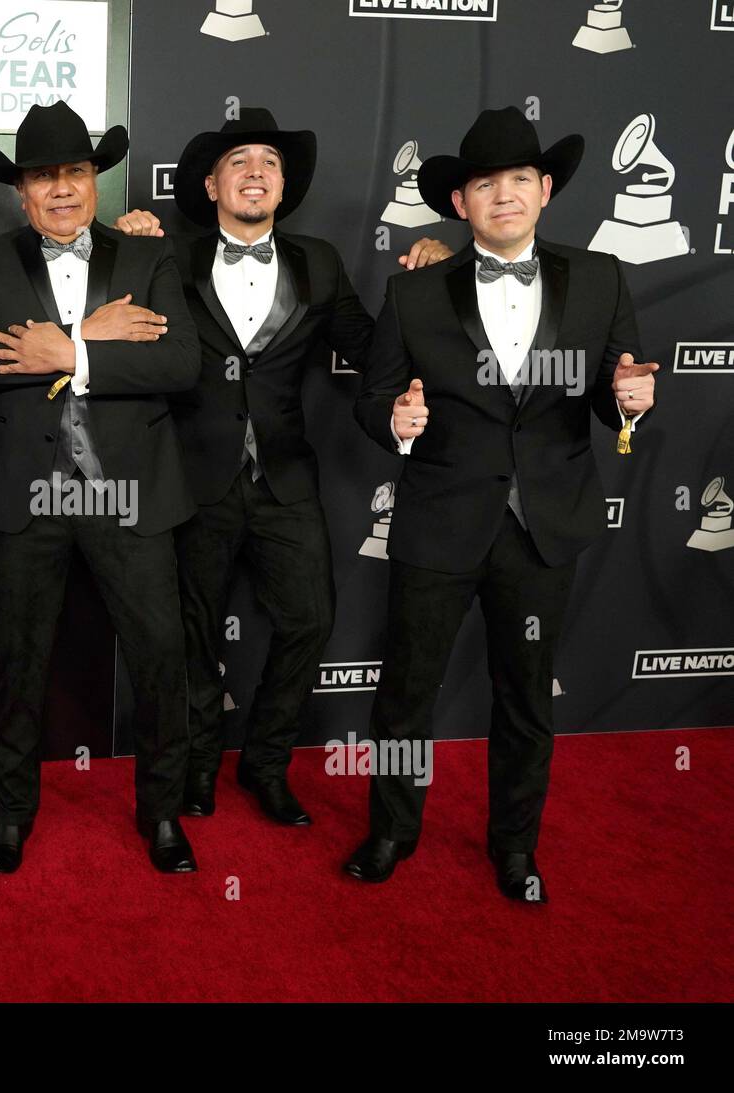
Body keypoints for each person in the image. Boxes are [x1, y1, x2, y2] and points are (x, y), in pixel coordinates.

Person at [345, 107, 658, 902]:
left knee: (525, 698)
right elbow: (375, 394)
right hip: (439, 521)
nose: (505, 194)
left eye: (520, 179)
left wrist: (630, 402)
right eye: (486, 183)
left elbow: (615, 392)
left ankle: (515, 847)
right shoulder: (413, 293)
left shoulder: (600, 278)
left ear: (546, 189)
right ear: (461, 203)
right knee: (406, 694)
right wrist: (392, 419)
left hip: (541, 529)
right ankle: (391, 830)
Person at [113, 108, 449, 823]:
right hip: (193, 477)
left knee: (310, 620)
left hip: (286, 478)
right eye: (239, 162)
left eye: (268, 161)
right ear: (209, 184)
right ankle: (198, 765)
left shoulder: (318, 261)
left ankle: (265, 763)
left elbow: (368, 346)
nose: (255, 172)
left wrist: (422, 285)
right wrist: (129, 241)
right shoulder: (167, 256)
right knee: (192, 634)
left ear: (285, 182)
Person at [0, 101, 201, 874]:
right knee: (17, 659)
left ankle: (162, 812)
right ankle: (11, 815)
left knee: (162, 652)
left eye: (75, 172)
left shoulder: (147, 257)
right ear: (21, 192)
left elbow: (178, 365)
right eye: (42, 177)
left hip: (129, 490)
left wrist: (70, 350)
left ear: (96, 180)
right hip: (29, 491)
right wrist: (97, 336)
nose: (60, 189)